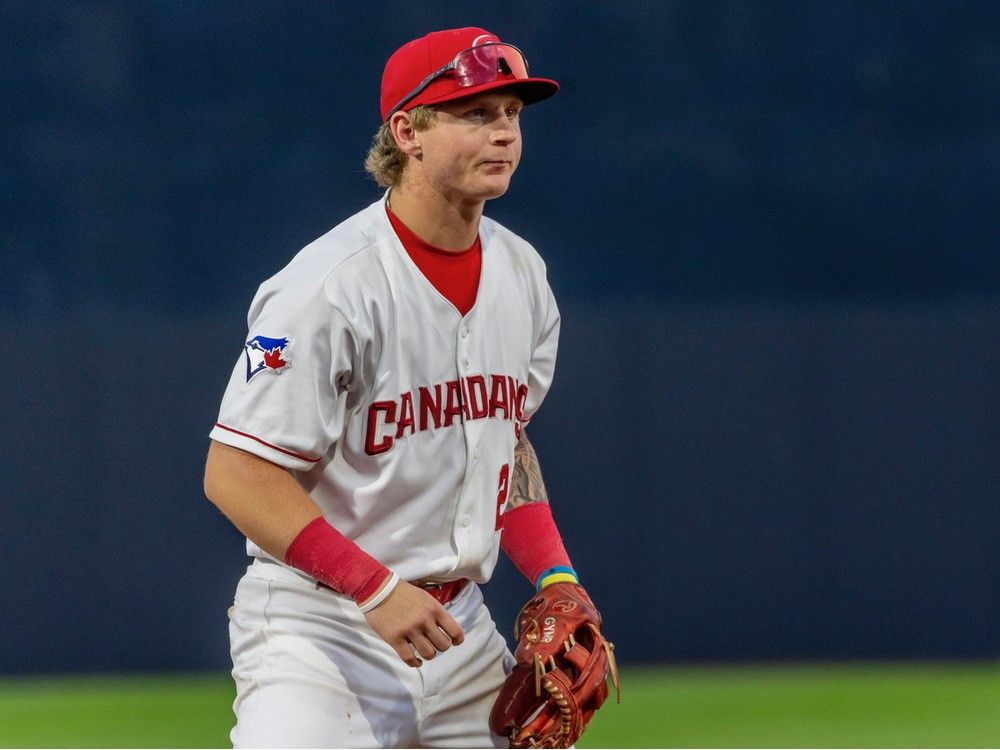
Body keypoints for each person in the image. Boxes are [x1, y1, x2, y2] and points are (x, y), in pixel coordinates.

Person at [204, 26, 609, 748]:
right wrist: (375, 588)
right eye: (476, 113)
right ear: (408, 132)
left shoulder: (522, 276)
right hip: (322, 630)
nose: (504, 133)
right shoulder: (327, 288)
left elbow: (503, 449)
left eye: (512, 113)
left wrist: (554, 577)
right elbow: (235, 472)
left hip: (460, 630)